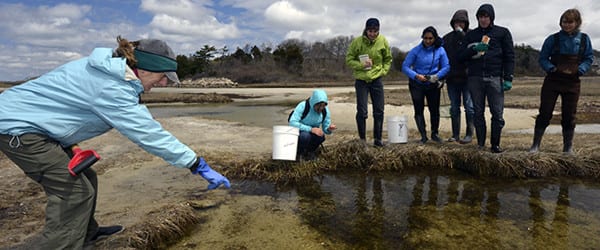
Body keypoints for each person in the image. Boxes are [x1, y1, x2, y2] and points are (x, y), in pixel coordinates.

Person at [0, 37, 231, 249]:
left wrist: (69, 142)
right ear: (144, 69)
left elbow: (67, 107)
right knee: (74, 192)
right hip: (17, 129)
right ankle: (64, 245)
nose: (163, 84)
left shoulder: (112, 73)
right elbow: (149, 134)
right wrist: (196, 164)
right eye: (163, 77)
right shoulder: (112, 86)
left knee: (86, 176)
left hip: (32, 123)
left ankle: (86, 233)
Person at [529, 8, 594, 155]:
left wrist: (581, 69)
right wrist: (551, 68)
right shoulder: (553, 39)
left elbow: (589, 58)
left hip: (572, 82)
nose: (567, 25)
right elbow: (543, 58)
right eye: (564, 22)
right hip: (553, 81)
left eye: (570, 22)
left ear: (577, 23)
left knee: (569, 115)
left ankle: (567, 148)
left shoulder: (584, 39)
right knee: (545, 113)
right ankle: (535, 145)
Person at [459, 3, 515, 153]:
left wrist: (508, 77)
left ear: (491, 17)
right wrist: (473, 49)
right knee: (478, 112)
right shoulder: (471, 35)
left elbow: (509, 56)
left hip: (495, 77)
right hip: (475, 78)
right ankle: (481, 145)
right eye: (481, 17)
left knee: (497, 113)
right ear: (477, 18)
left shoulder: (502, 33)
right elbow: (460, 56)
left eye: (486, 16)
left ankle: (495, 145)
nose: (483, 19)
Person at [345, 17, 393, 147]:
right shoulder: (357, 42)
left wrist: (383, 71)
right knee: (362, 111)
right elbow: (349, 59)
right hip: (361, 80)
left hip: (377, 79)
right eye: (370, 31)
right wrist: (361, 65)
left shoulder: (383, 41)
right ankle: (362, 140)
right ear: (366, 30)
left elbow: (388, 59)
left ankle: (378, 140)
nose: (372, 34)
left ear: (378, 30)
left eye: (375, 31)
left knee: (379, 110)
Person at [402, 26, 450, 144]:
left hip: (432, 83)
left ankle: (435, 133)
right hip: (417, 84)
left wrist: (437, 76)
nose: (428, 41)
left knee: (434, 110)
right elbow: (405, 66)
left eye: (430, 38)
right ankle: (423, 136)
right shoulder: (416, 50)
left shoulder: (440, 50)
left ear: (435, 38)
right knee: (419, 110)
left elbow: (446, 66)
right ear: (422, 38)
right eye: (425, 38)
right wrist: (416, 75)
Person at [443, 9, 475, 144]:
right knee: (454, 107)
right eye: (456, 22)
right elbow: (442, 58)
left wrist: (463, 36)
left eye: (462, 22)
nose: (459, 24)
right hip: (452, 78)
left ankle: (469, 134)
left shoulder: (472, 35)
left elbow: (475, 53)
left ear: (466, 23)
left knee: (469, 106)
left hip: (468, 77)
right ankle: (455, 134)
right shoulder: (447, 38)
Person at [288, 89, 337, 160]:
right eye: (319, 106)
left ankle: (310, 152)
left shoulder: (325, 111)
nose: (321, 108)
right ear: (314, 102)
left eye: (323, 106)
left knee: (321, 136)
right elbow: (292, 122)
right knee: (305, 136)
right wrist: (311, 129)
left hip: (313, 133)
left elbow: (325, 128)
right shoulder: (303, 106)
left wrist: (329, 129)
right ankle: (299, 153)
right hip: (299, 132)